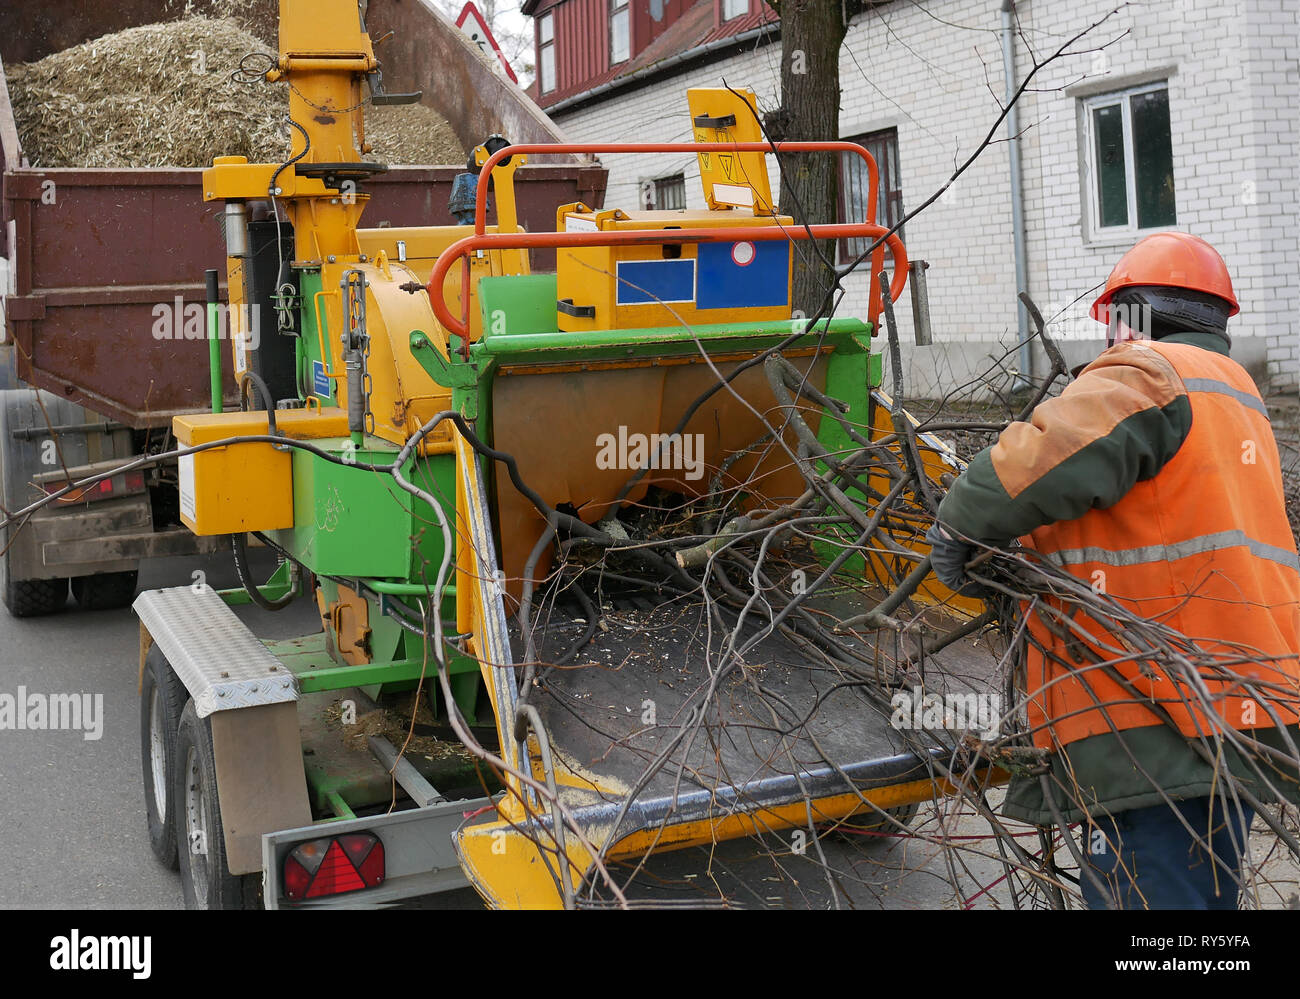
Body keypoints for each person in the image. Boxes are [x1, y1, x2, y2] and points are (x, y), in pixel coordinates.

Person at [926, 232, 1300, 909]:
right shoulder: (1239, 395)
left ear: (1126, 315)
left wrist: (958, 525)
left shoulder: (1149, 371)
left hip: (1153, 717)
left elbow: (1042, 458)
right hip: (1231, 705)